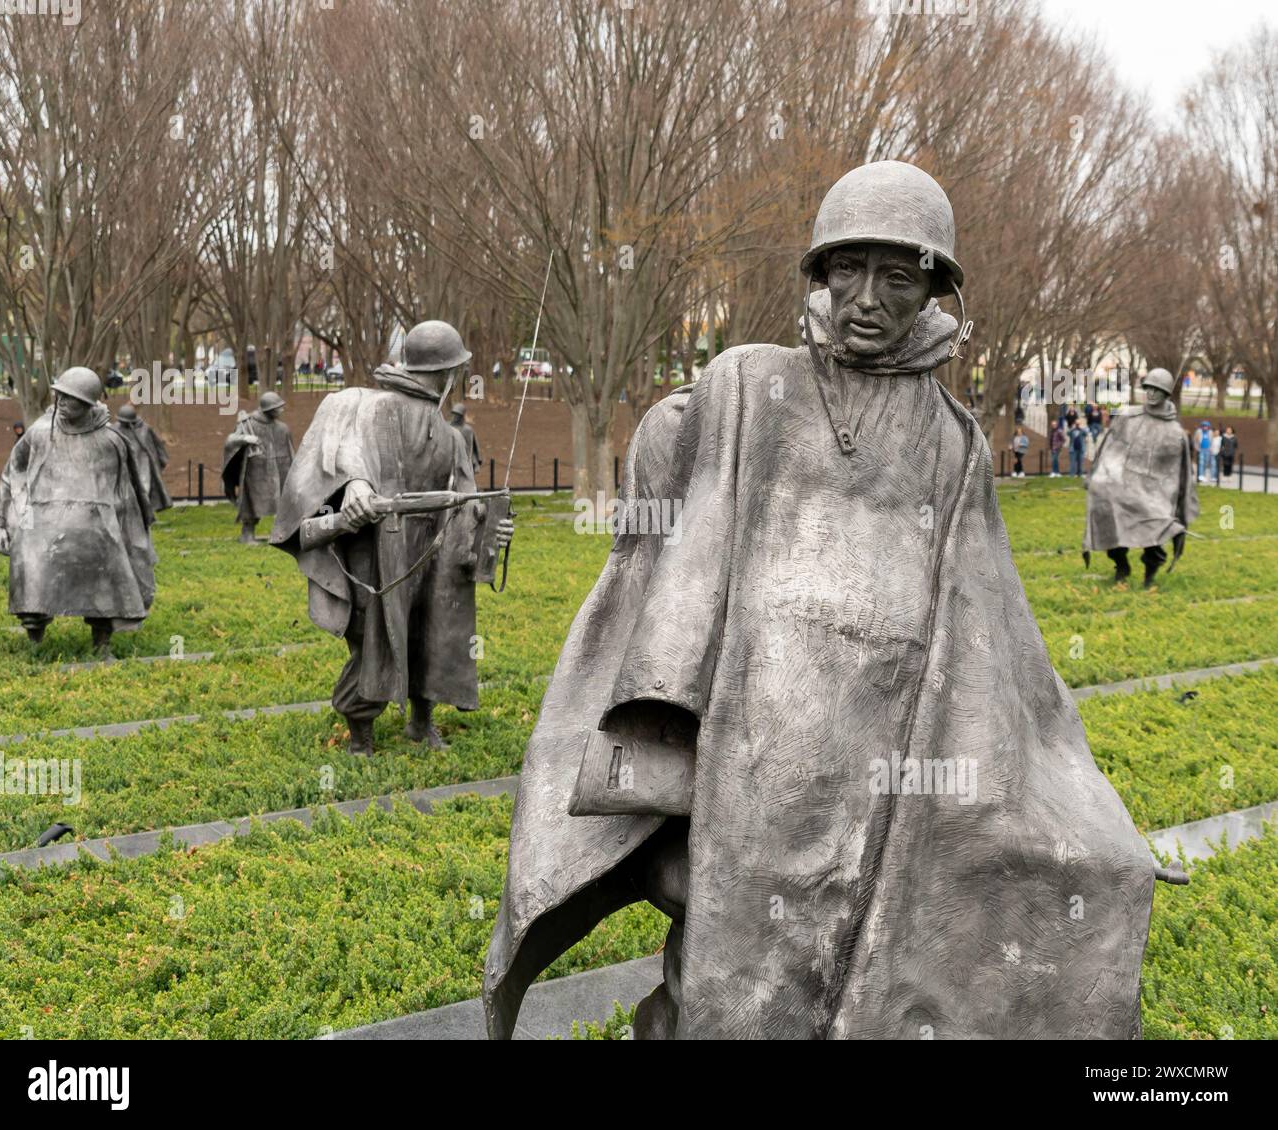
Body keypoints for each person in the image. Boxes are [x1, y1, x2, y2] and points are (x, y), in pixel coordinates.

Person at [485, 161, 1153, 1041]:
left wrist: (1066, 791)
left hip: (885, 744)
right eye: (847, 271)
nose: (865, 299)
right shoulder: (748, 386)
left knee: (852, 957)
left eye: (897, 277)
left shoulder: (954, 441)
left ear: (932, 292)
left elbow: (995, 626)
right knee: (726, 964)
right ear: (820, 276)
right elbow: (669, 545)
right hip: (753, 735)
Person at [270, 321, 513, 756]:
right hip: (377, 550)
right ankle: (360, 735)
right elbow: (346, 449)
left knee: (432, 632)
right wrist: (359, 486)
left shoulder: (452, 437)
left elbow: (467, 498)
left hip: (433, 551)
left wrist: (491, 525)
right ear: (448, 373)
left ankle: (423, 722)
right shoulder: (371, 406)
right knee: (372, 637)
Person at [0, 367, 155, 656]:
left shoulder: (110, 441)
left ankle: (102, 642)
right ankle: (35, 637)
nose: (62, 404)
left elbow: (125, 495)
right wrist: (0, 522)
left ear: (88, 404)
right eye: (59, 397)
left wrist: (132, 537)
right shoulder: (39, 432)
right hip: (43, 523)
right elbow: (12, 472)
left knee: (106, 551)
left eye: (70, 399)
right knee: (32, 553)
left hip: (94, 525)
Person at [1083, 368, 1199, 589]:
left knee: (1154, 518)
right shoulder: (1129, 417)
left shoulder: (1175, 432)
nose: (1152, 394)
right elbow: (1110, 449)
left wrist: (1178, 504)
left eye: (1158, 390)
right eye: (1149, 389)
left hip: (1156, 493)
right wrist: (1097, 474)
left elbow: (1180, 474)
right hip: (1126, 483)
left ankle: (1150, 575)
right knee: (1104, 501)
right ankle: (1121, 564)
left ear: (1166, 394)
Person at [222, 391, 294, 543]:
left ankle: (284, 534)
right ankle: (247, 534)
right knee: (250, 502)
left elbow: (290, 451)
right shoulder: (248, 423)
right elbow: (230, 441)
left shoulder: (283, 428)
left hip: (280, 469)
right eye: (278, 407)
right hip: (255, 471)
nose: (282, 410)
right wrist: (244, 438)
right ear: (269, 409)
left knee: (285, 503)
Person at [112, 404, 173, 514]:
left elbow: (156, 444)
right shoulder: (115, 429)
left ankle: (146, 514)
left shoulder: (144, 429)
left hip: (142, 463)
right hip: (124, 465)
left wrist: (162, 459)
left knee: (145, 489)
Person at [449, 402, 483, 471]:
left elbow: (473, 446)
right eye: (454, 414)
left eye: (457, 415)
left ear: (461, 416)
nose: (455, 417)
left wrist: (478, 459)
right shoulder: (447, 426)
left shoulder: (467, 430)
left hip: (464, 457)